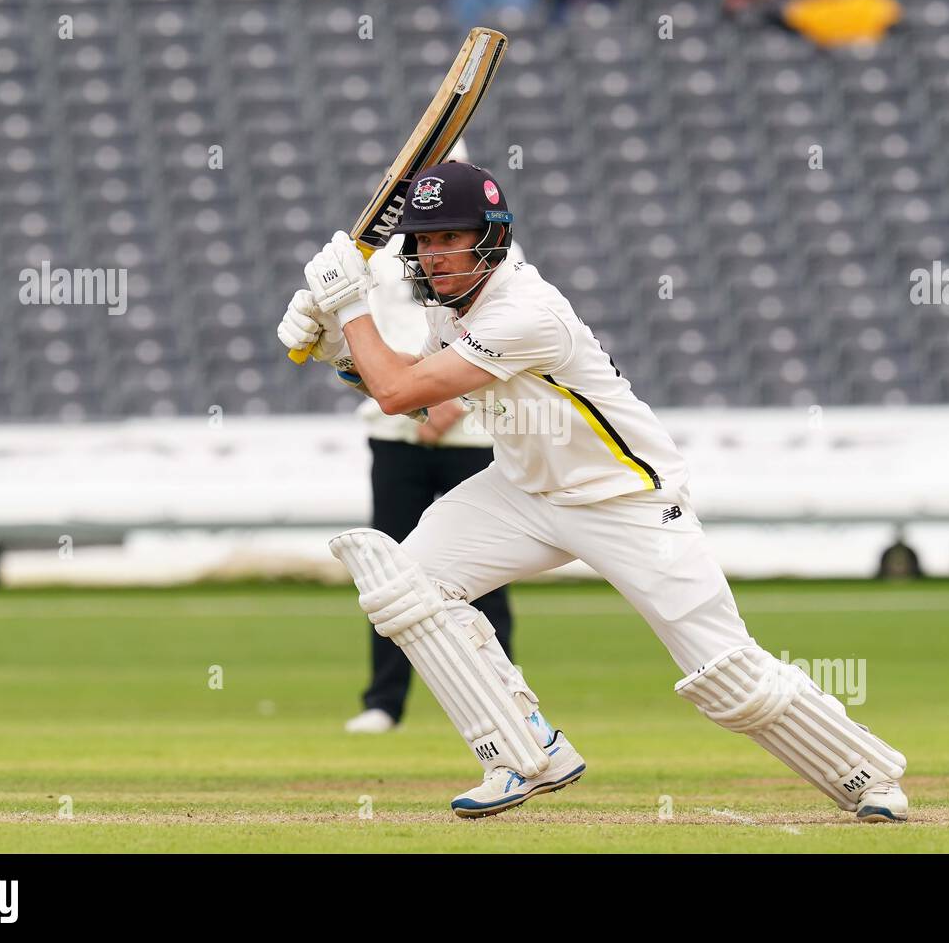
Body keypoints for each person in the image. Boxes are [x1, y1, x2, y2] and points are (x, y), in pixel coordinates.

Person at [277, 162, 910, 821]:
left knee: (726, 672)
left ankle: (866, 774)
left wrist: (349, 306)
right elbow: (411, 381)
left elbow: (398, 393)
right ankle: (525, 753)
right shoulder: (454, 311)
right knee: (405, 584)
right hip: (525, 493)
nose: (434, 255)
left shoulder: (526, 311)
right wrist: (335, 350)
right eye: (425, 241)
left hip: (625, 499)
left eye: (449, 238)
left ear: (490, 238)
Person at [345, 152, 523, 735]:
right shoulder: (384, 258)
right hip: (396, 429)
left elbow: (488, 342)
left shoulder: (503, 261)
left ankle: (506, 700)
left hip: (469, 430)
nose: (436, 242)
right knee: (392, 572)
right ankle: (384, 703)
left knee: (483, 575)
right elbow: (379, 346)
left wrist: (442, 400)